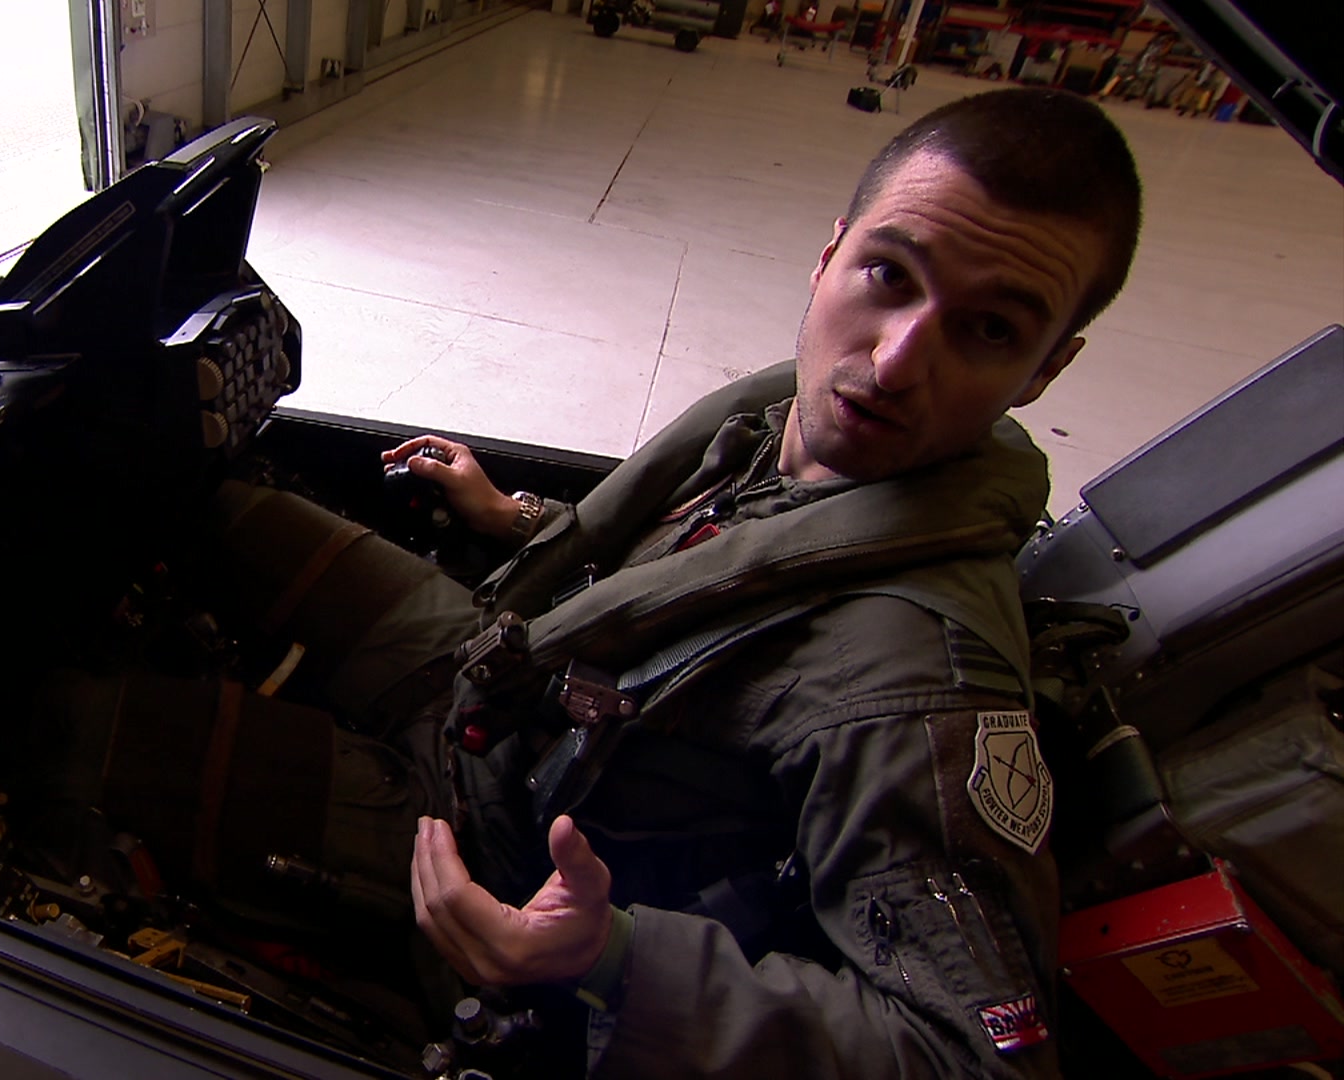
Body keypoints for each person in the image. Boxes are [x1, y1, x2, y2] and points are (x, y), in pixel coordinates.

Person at [86, 87, 1141, 1078]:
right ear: (829, 257)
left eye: (990, 329)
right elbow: (706, 578)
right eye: (891, 275)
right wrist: (521, 521)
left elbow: (976, 1054)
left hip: (493, 850)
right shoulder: (784, 427)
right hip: (494, 674)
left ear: (1046, 371)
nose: (901, 359)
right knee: (202, 510)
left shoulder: (918, 685)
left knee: (70, 725)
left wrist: (608, 959)